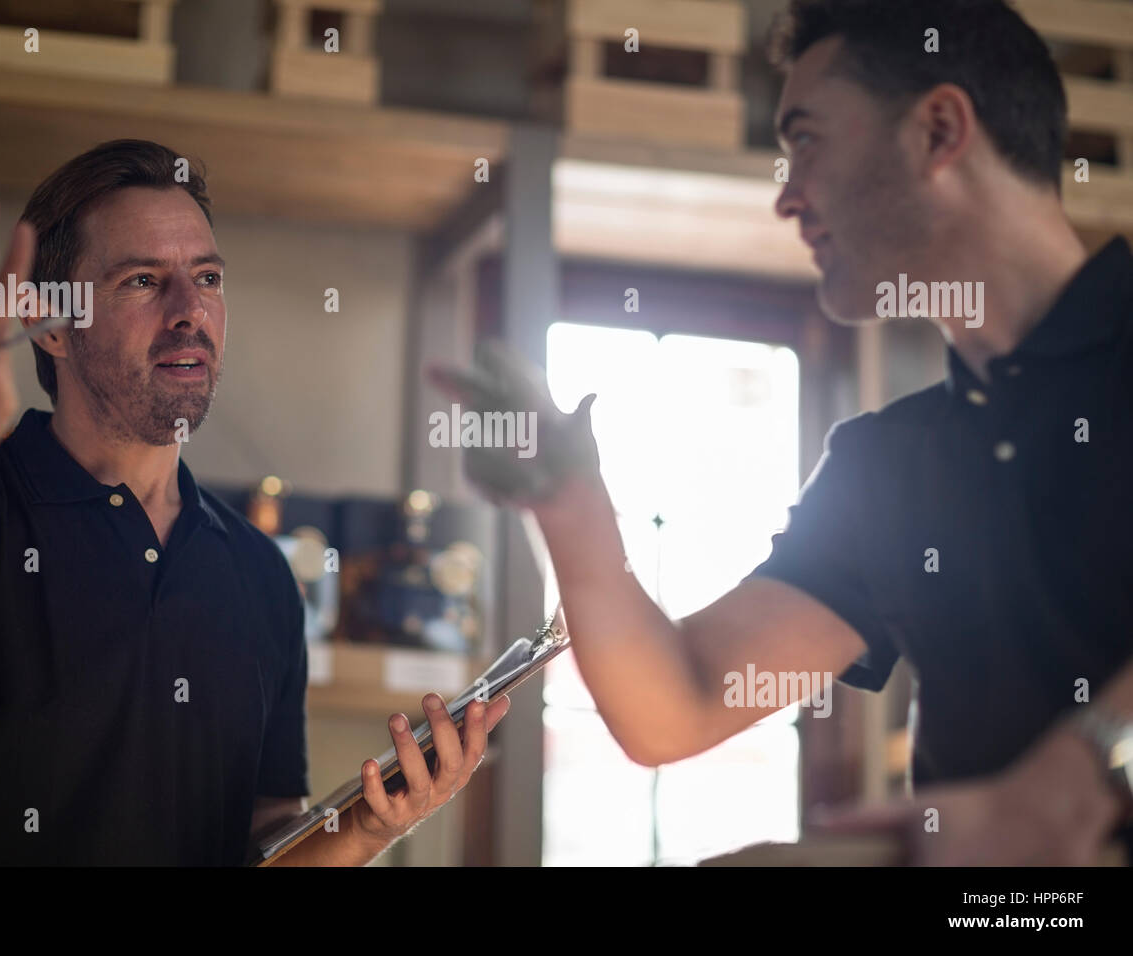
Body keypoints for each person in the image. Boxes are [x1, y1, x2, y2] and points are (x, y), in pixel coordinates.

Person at [432, 0, 1133, 865]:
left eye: (807, 141)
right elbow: (677, 705)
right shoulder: (892, 467)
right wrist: (572, 506)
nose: (787, 198)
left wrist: (1076, 784)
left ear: (939, 130)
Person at [0, 139, 508, 866]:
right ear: (53, 327)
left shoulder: (262, 577)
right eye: (144, 281)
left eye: (208, 277)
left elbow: (263, 844)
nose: (191, 311)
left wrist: (372, 829)